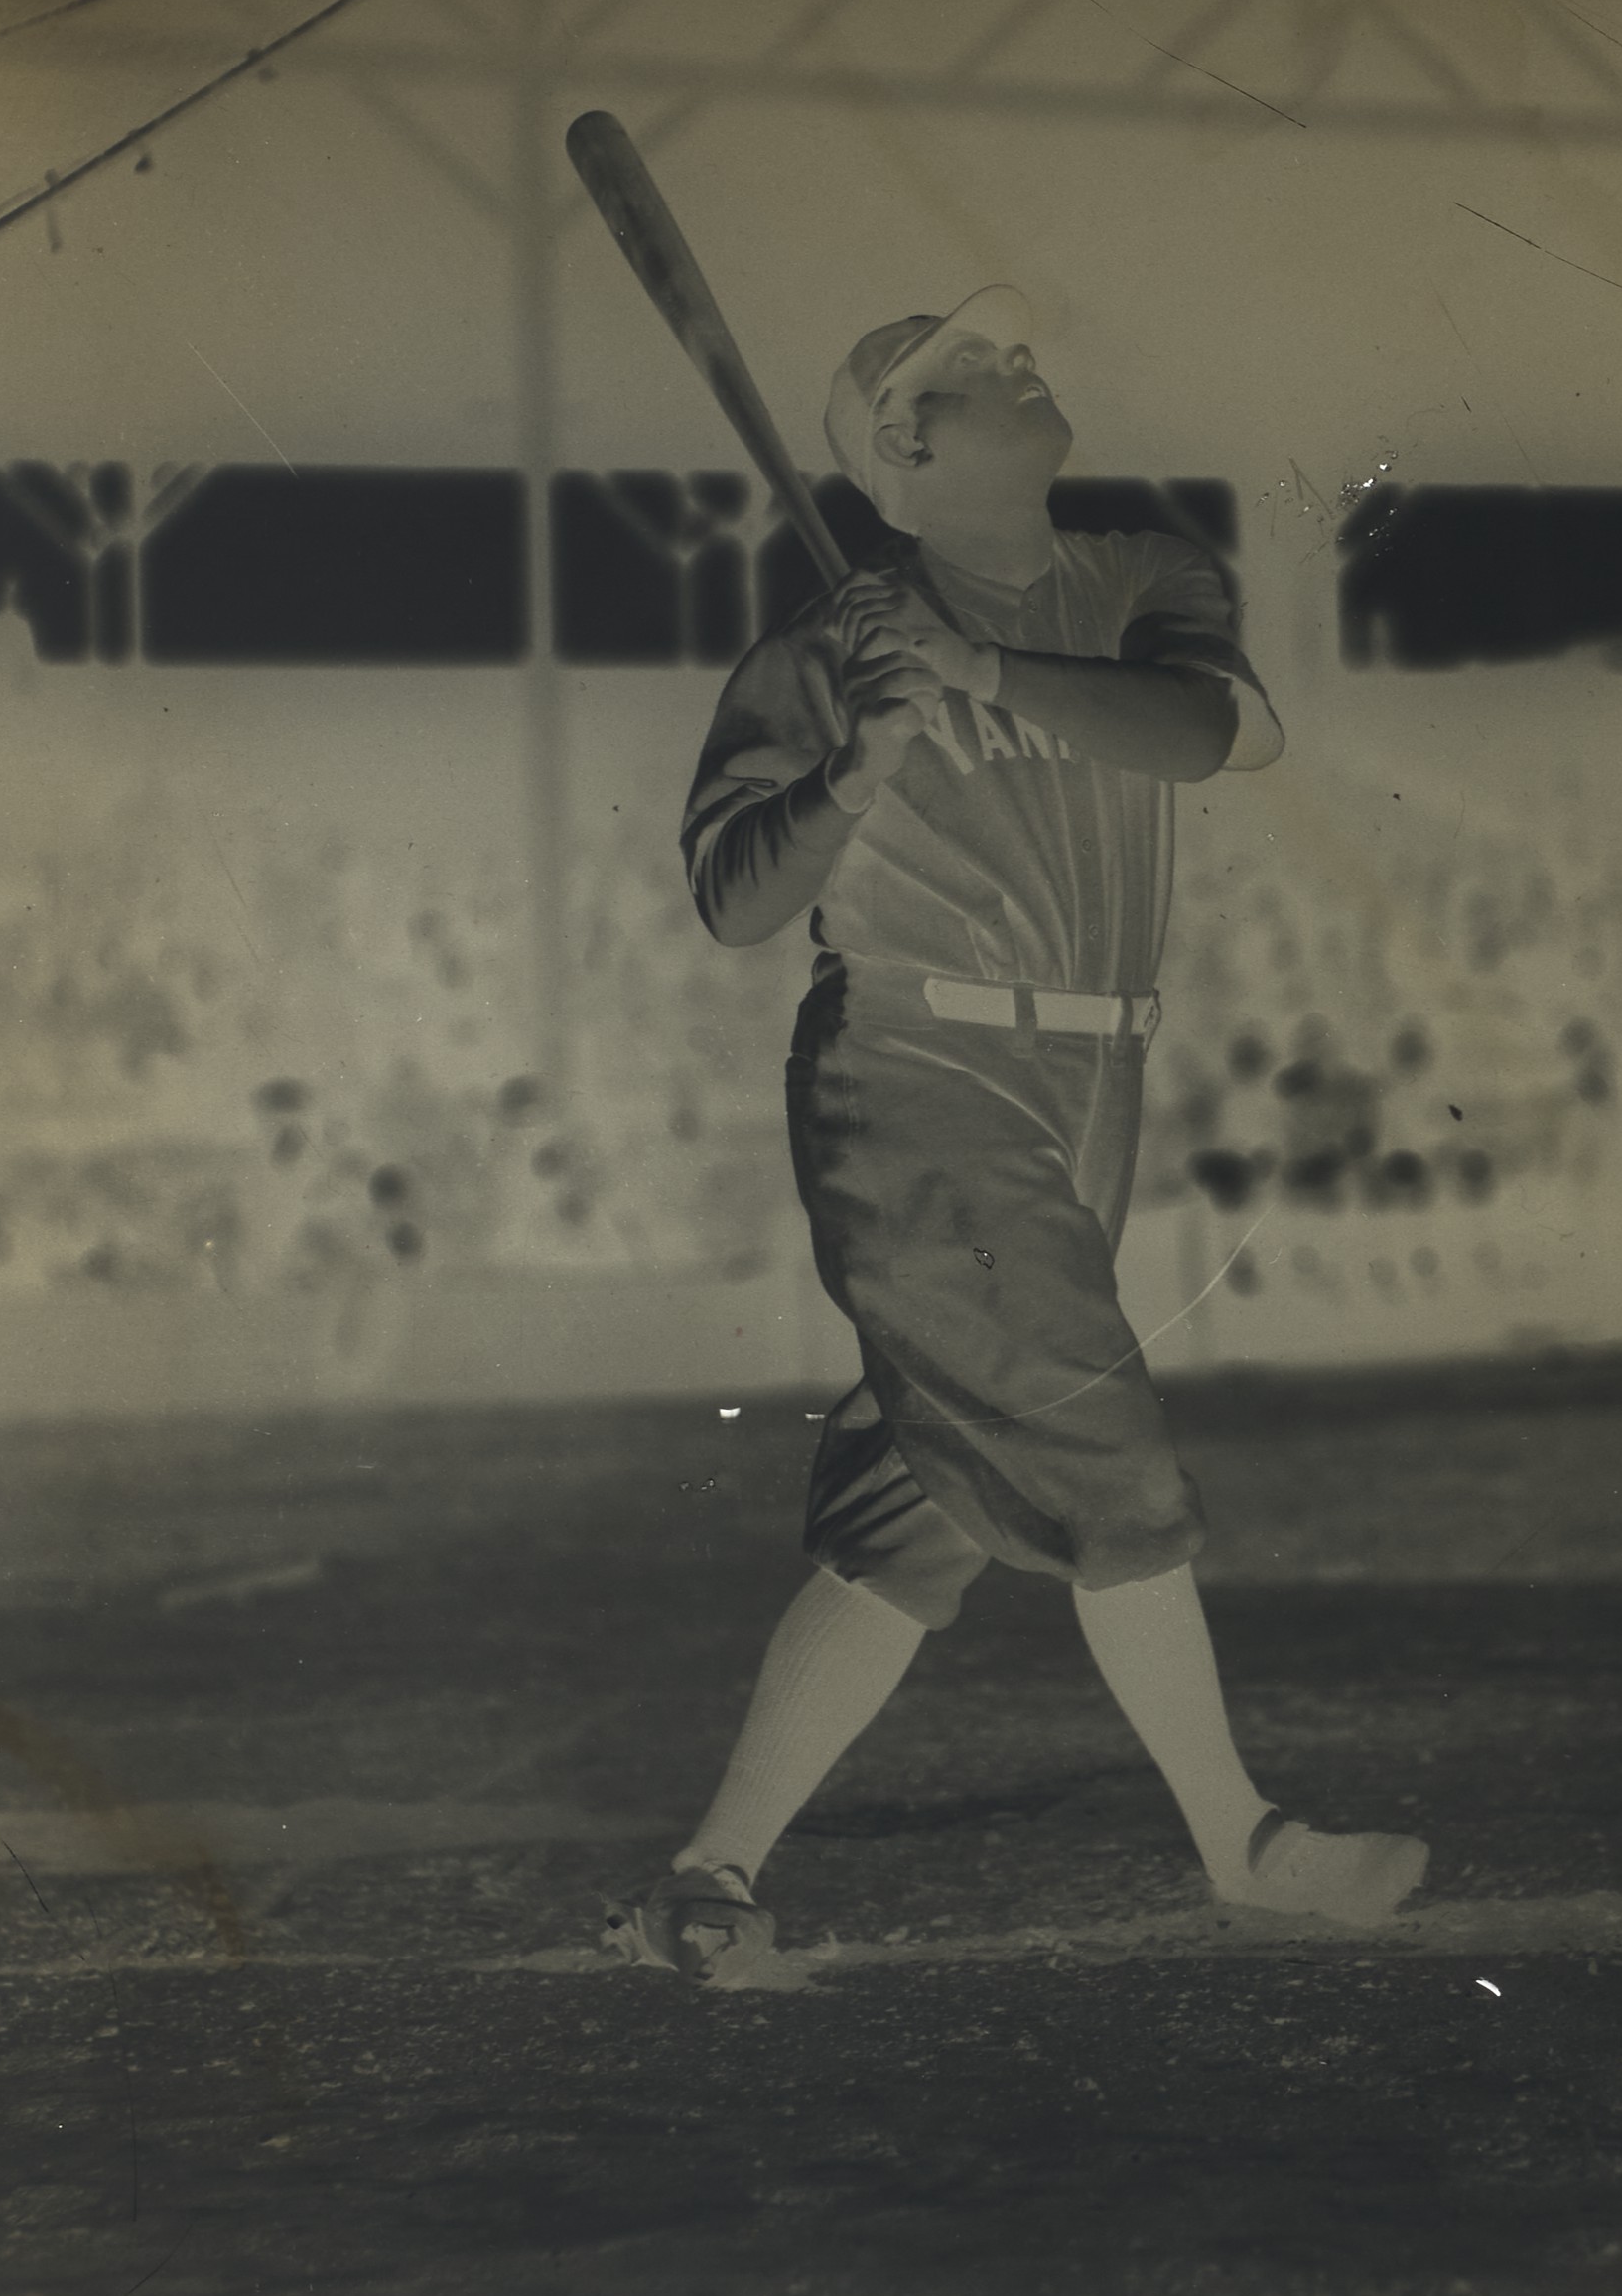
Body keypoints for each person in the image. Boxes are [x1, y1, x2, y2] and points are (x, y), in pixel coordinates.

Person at [604, 286, 1427, 1980]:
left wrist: (981, 671)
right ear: (902, 446)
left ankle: (712, 1879)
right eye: (974, 374)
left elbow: (1215, 734)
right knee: (1088, 1435)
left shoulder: (1142, 579)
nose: (1023, 368)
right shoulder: (819, 657)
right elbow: (734, 904)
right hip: (913, 1073)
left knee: (914, 1524)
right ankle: (1242, 1838)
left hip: (1089, 1082)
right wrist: (851, 771)